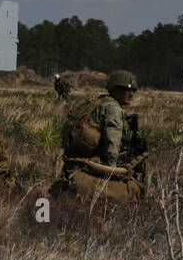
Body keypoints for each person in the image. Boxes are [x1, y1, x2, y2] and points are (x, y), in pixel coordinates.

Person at [54, 70, 146, 203]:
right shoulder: (113, 109)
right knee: (133, 191)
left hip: (74, 163)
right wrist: (112, 174)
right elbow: (112, 144)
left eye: (133, 90)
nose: (131, 94)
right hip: (90, 165)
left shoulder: (97, 102)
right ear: (115, 89)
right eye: (127, 90)